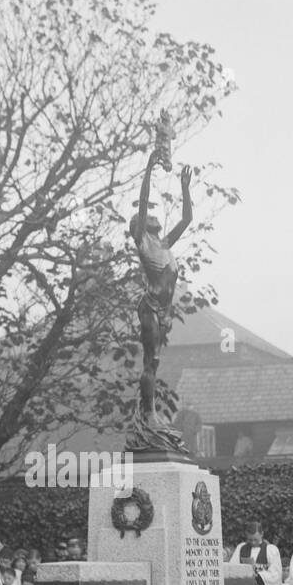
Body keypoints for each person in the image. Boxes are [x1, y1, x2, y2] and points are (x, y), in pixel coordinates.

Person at [130, 154, 193, 427]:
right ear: (141, 226)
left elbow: (187, 219)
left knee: (154, 363)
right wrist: (148, 167)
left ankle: (149, 412)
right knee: (150, 361)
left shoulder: (165, 243)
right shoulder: (143, 242)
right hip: (150, 307)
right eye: (148, 216)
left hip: (163, 312)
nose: (154, 216)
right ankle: (148, 414)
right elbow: (143, 202)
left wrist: (185, 187)